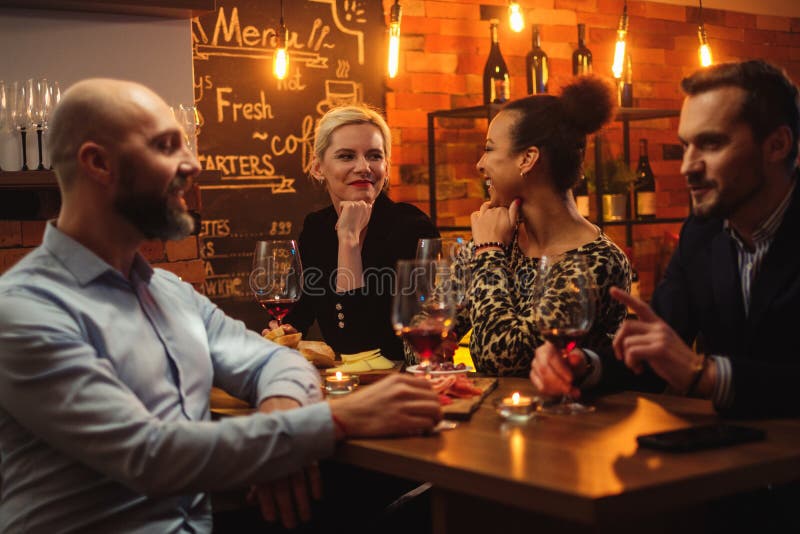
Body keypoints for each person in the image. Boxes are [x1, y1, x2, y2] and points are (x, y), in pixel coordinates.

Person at [0, 78, 442, 533]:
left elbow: (274, 361)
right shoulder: (25, 311)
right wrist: (331, 421)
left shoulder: (170, 293)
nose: (192, 164)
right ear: (98, 163)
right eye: (167, 146)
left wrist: (280, 444)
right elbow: (149, 455)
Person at [531, 60, 800, 419]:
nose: (687, 165)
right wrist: (583, 364)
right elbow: (652, 350)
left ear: (777, 145)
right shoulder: (702, 234)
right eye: (685, 145)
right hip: (734, 464)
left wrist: (703, 373)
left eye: (711, 143)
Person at [453, 76, 631, 376]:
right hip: (489, 419)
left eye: (490, 149)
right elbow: (419, 334)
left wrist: (487, 253)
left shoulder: (597, 262)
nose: (480, 164)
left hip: (566, 421)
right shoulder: (498, 238)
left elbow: (502, 358)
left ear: (527, 159)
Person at [273, 105, 438, 360]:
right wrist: (285, 330)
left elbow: (361, 346)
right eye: (346, 156)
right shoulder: (316, 226)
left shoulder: (413, 228)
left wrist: (348, 241)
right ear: (318, 167)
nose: (363, 167)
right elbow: (302, 310)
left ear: (387, 165)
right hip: (342, 384)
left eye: (374, 156)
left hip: (402, 381)